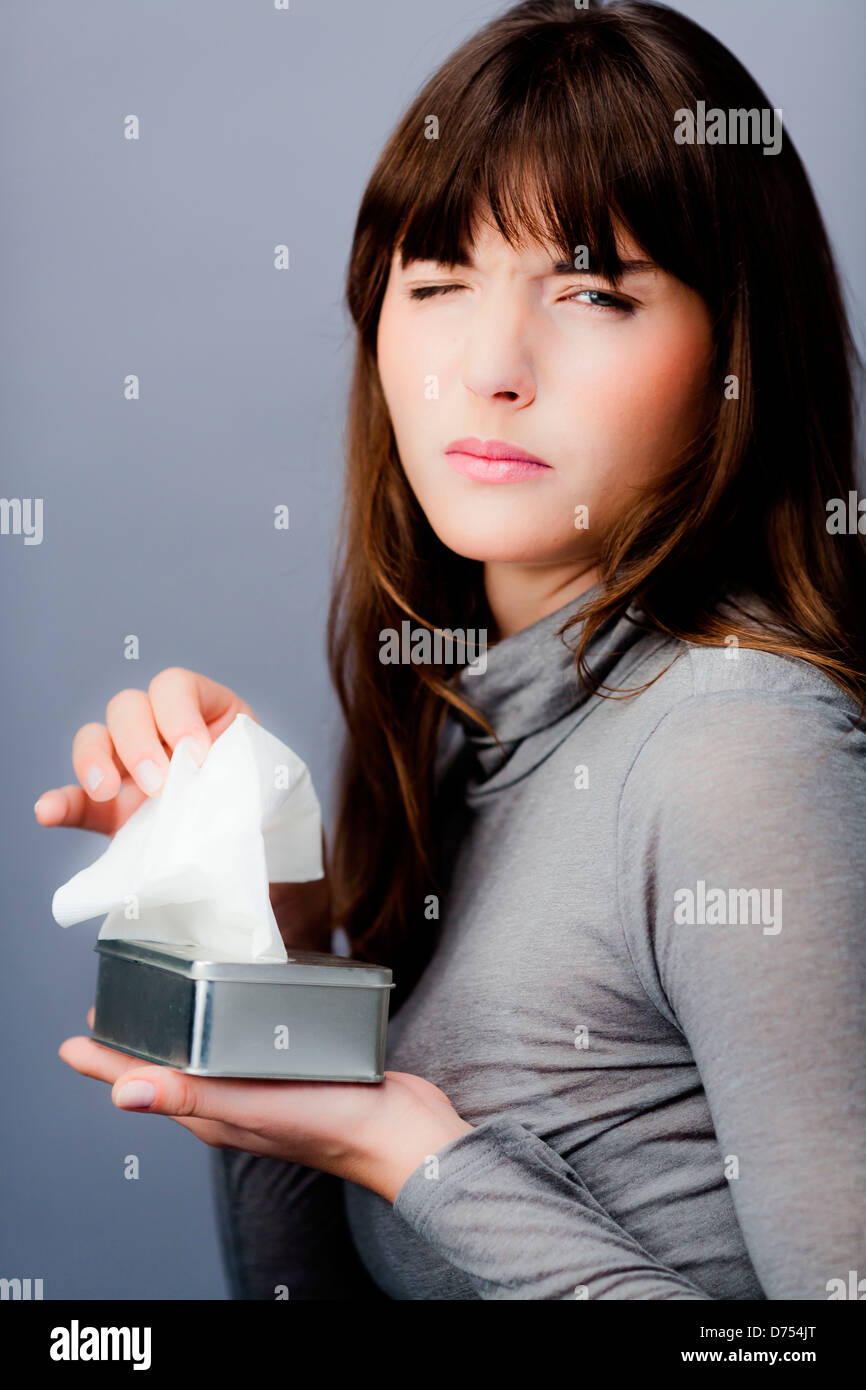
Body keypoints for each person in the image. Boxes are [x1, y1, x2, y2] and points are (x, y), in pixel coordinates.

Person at [42, 0, 866, 1299]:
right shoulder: (465, 741)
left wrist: (421, 1150)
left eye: (591, 289)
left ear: (736, 355)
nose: (489, 363)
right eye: (435, 283)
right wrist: (270, 942)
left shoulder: (738, 751)